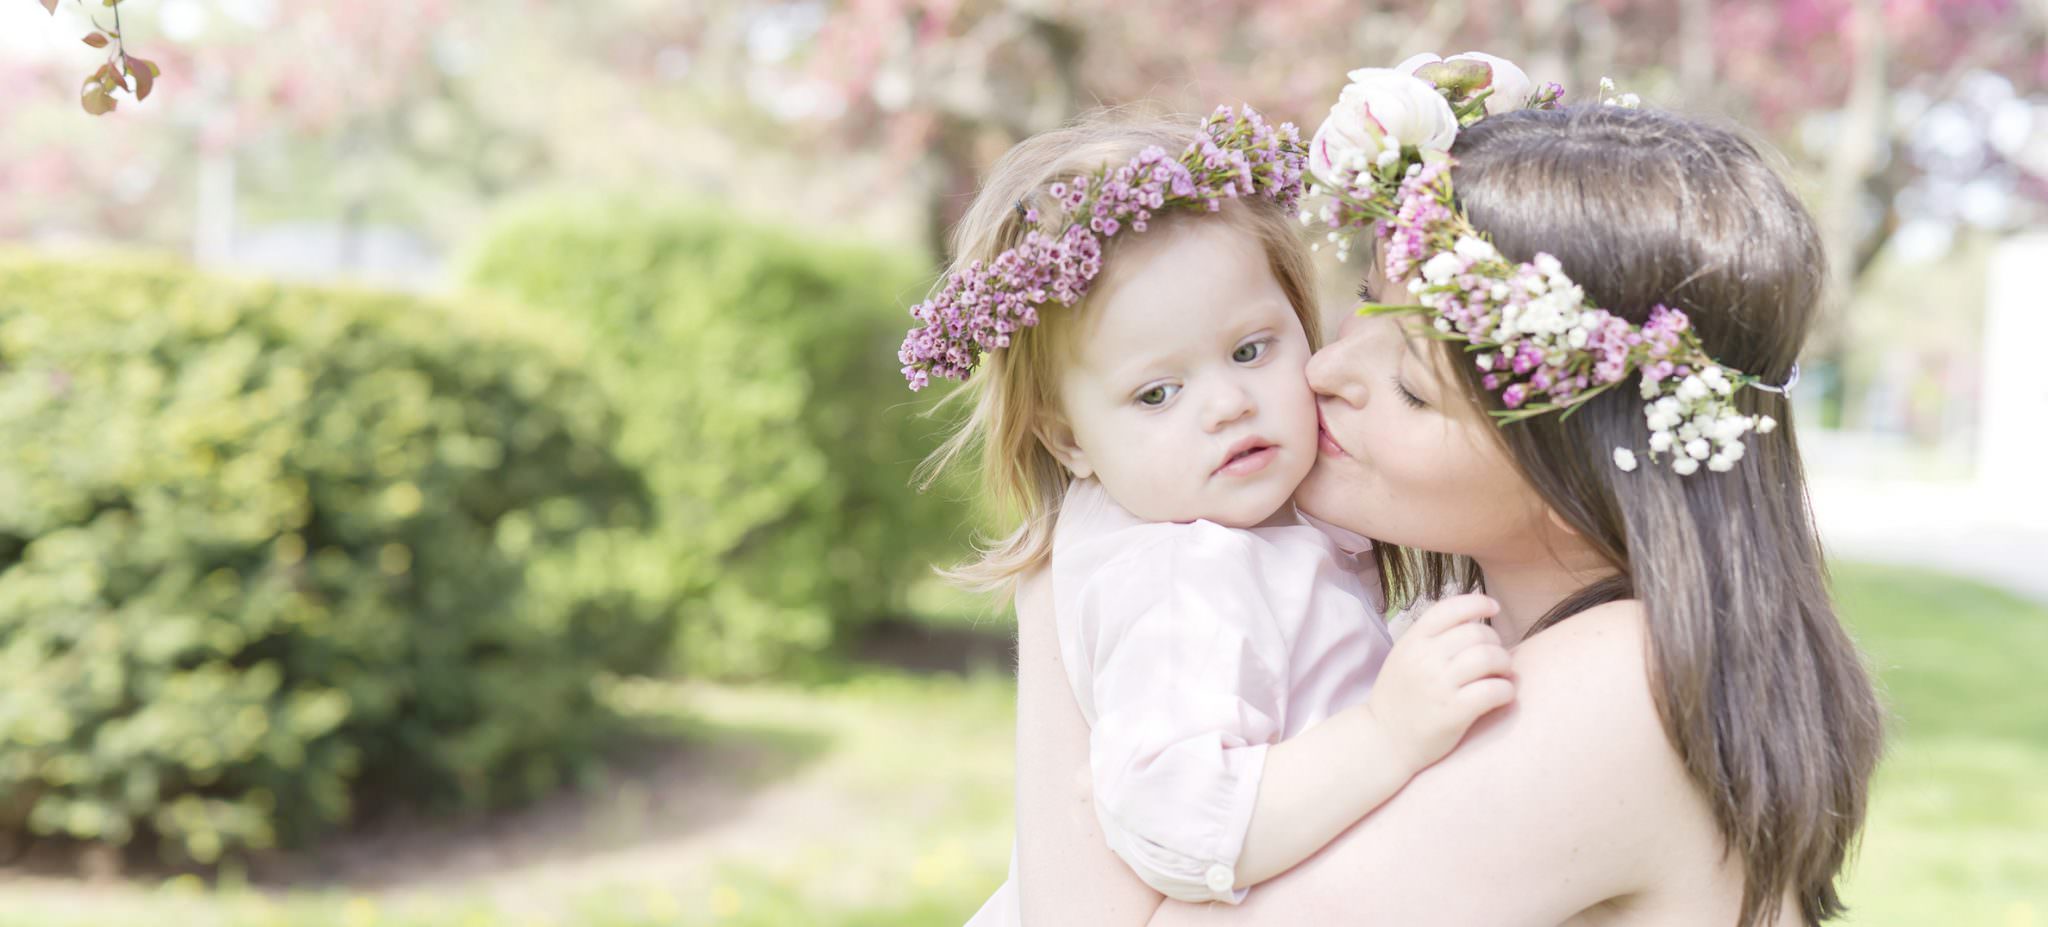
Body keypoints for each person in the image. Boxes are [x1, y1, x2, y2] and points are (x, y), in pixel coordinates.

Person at [1009, 64, 1886, 927]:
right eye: (1366, 302)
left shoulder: (1619, 689)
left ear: (1572, 471)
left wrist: (1072, 567)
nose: (1325, 368)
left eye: (1413, 387)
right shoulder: (1477, 642)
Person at [896, 107, 1519, 925]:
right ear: (1069, 440)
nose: (1227, 404)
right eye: (1158, 393)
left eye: (1251, 349)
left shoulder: (1228, 518)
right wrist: (1385, 733)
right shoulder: (1179, 577)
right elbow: (1180, 824)